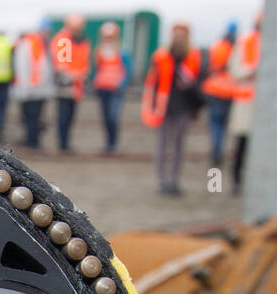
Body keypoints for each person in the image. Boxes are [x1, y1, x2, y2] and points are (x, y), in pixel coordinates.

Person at [142, 23, 204, 195]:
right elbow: (152, 82)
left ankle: (174, 181)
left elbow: (199, 81)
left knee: (178, 146)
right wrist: (151, 105)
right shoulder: (161, 56)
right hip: (165, 108)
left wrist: (192, 94)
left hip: (183, 108)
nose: (179, 38)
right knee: (163, 145)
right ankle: (162, 181)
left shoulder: (193, 57)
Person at [227, 11, 262, 193]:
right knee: (241, 145)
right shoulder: (245, 42)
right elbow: (235, 69)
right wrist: (250, 72)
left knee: (259, 149)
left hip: (263, 109)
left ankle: (253, 182)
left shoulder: (276, 43)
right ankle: (236, 181)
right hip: (246, 103)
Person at [50, 14, 91, 152]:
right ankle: (63, 144)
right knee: (64, 116)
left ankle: (66, 143)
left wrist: (82, 74)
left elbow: (84, 61)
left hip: (76, 87)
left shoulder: (81, 41)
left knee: (70, 117)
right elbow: (62, 66)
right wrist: (76, 75)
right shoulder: (64, 40)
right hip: (65, 87)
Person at [11, 24, 53, 150]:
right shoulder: (32, 44)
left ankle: (32, 141)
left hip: (34, 89)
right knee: (32, 117)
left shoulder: (32, 44)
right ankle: (32, 141)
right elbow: (26, 68)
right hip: (33, 90)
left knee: (32, 117)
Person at [91, 21, 132, 153]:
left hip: (116, 90)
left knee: (113, 117)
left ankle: (113, 144)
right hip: (102, 88)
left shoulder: (122, 51)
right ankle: (108, 144)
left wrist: (122, 84)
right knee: (105, 118)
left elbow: (128, 70)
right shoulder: (99, 50)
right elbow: (96, 69)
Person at [205, 23, 237, 167]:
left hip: (214, 89)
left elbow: (207, 65)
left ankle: (216, 150)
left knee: (214, 123)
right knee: (223, 124)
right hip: (229, 90)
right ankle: (219, 149)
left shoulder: (217, 46)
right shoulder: (236, 47)